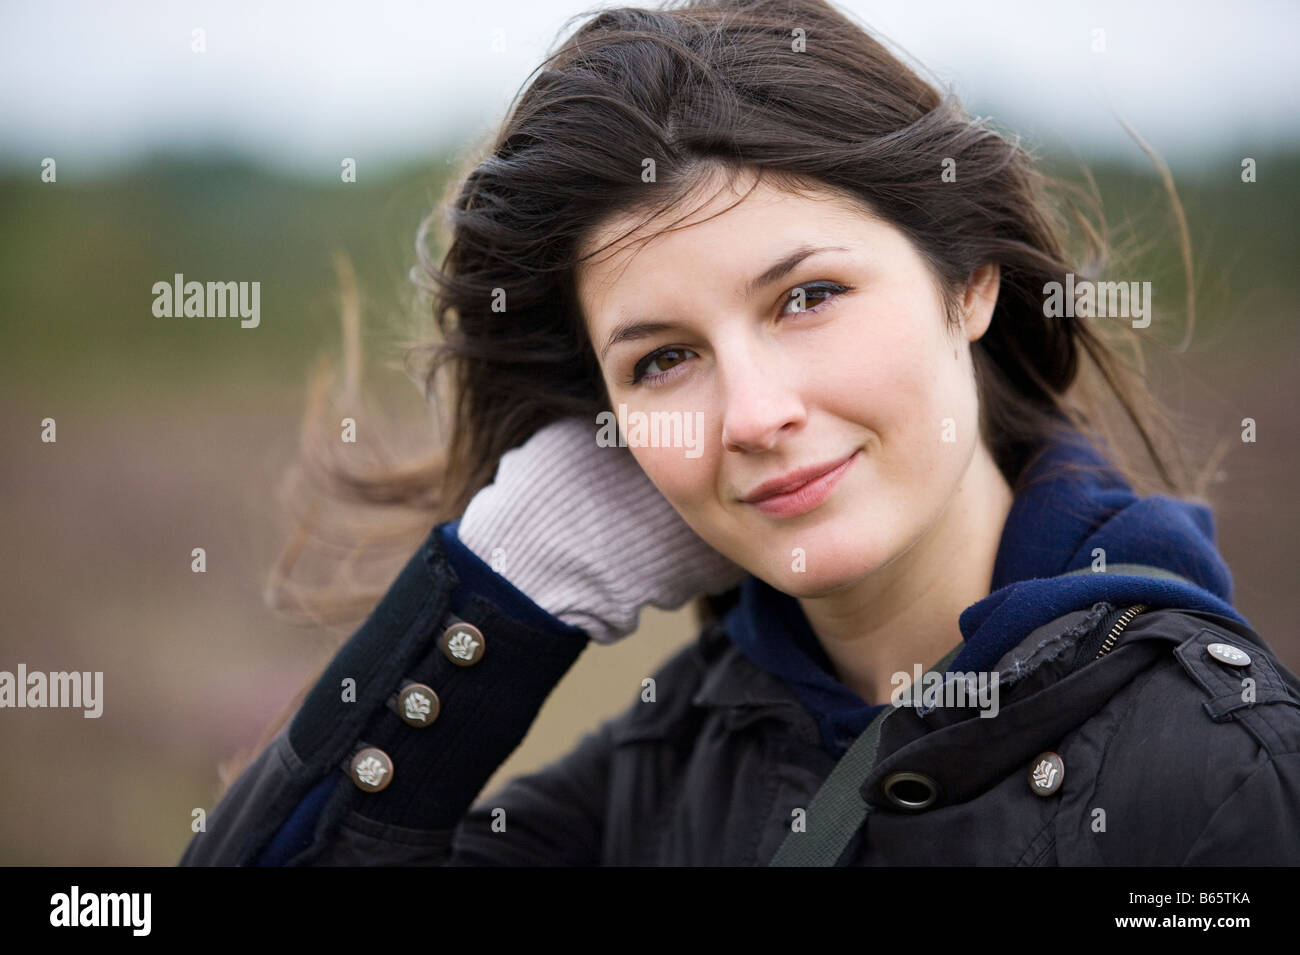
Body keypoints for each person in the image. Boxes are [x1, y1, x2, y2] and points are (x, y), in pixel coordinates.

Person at [178, 0, 1300, 866]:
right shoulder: (657, 779)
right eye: (662, 358)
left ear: (968, 283)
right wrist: (504, 586)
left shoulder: (1220, 768)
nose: (755, 414)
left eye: (806, 297)